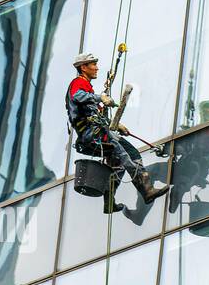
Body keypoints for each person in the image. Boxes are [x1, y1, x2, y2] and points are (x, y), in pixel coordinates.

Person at [66, 52, 169, 212]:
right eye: (93, 64)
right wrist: (101, 98)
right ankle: (146, 189)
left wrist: (117, 124)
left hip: (95, 132)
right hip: (93, 134)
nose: (97, 67)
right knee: (127, 155)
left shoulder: (87, 87)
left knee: (121, 160)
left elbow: (92, 114)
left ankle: (109, 201)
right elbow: (77, 96)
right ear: (83, 67)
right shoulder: (78, 83)